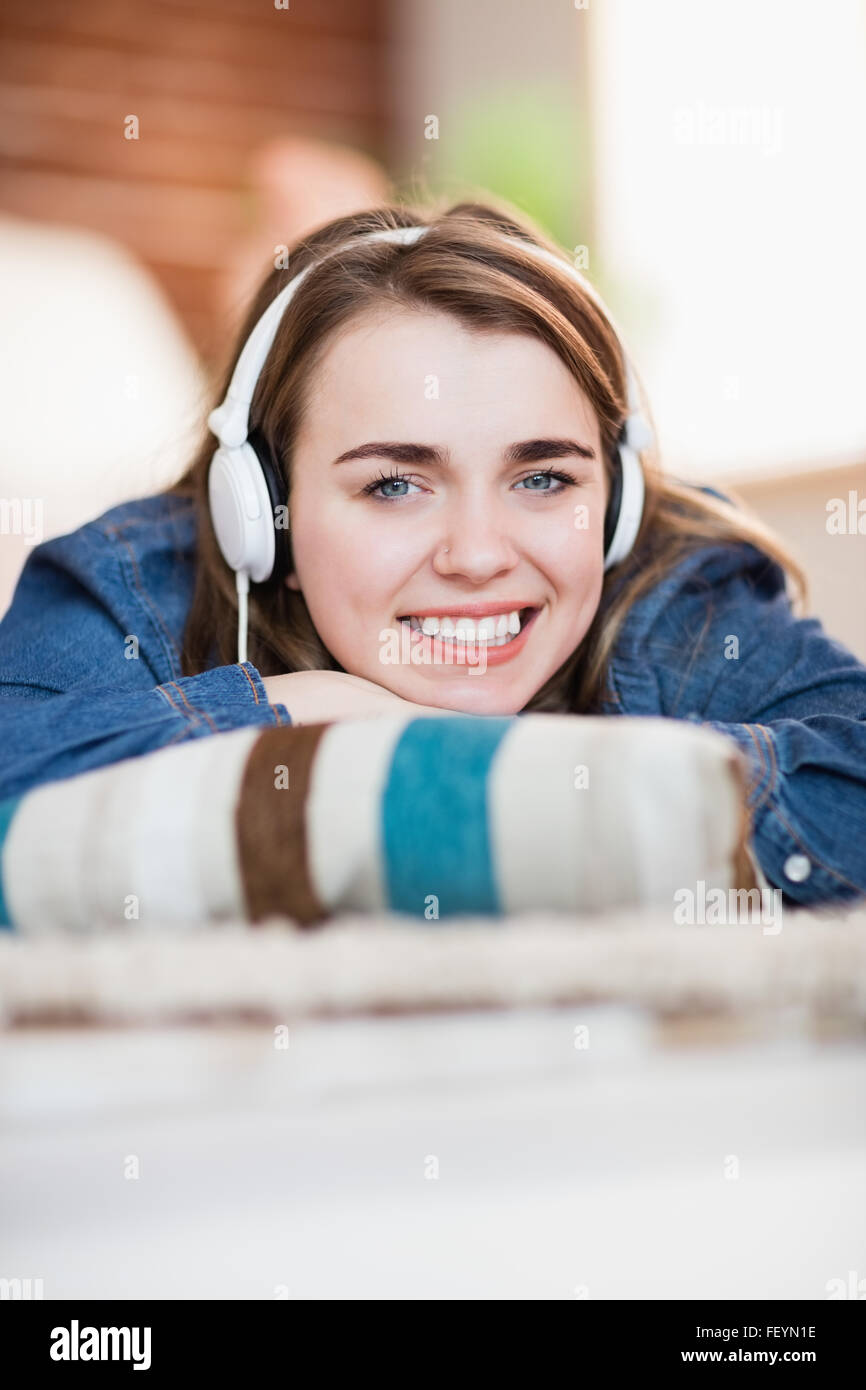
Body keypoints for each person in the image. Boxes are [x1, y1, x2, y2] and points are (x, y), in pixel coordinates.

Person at [1, 199, 864, 909]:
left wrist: (440, 757)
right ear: (262, 516)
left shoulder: (668, 590)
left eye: (543, 480)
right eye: (394, 485)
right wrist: (296, 707)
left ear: (616, 500)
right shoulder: (137, 581)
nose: (480, 556)